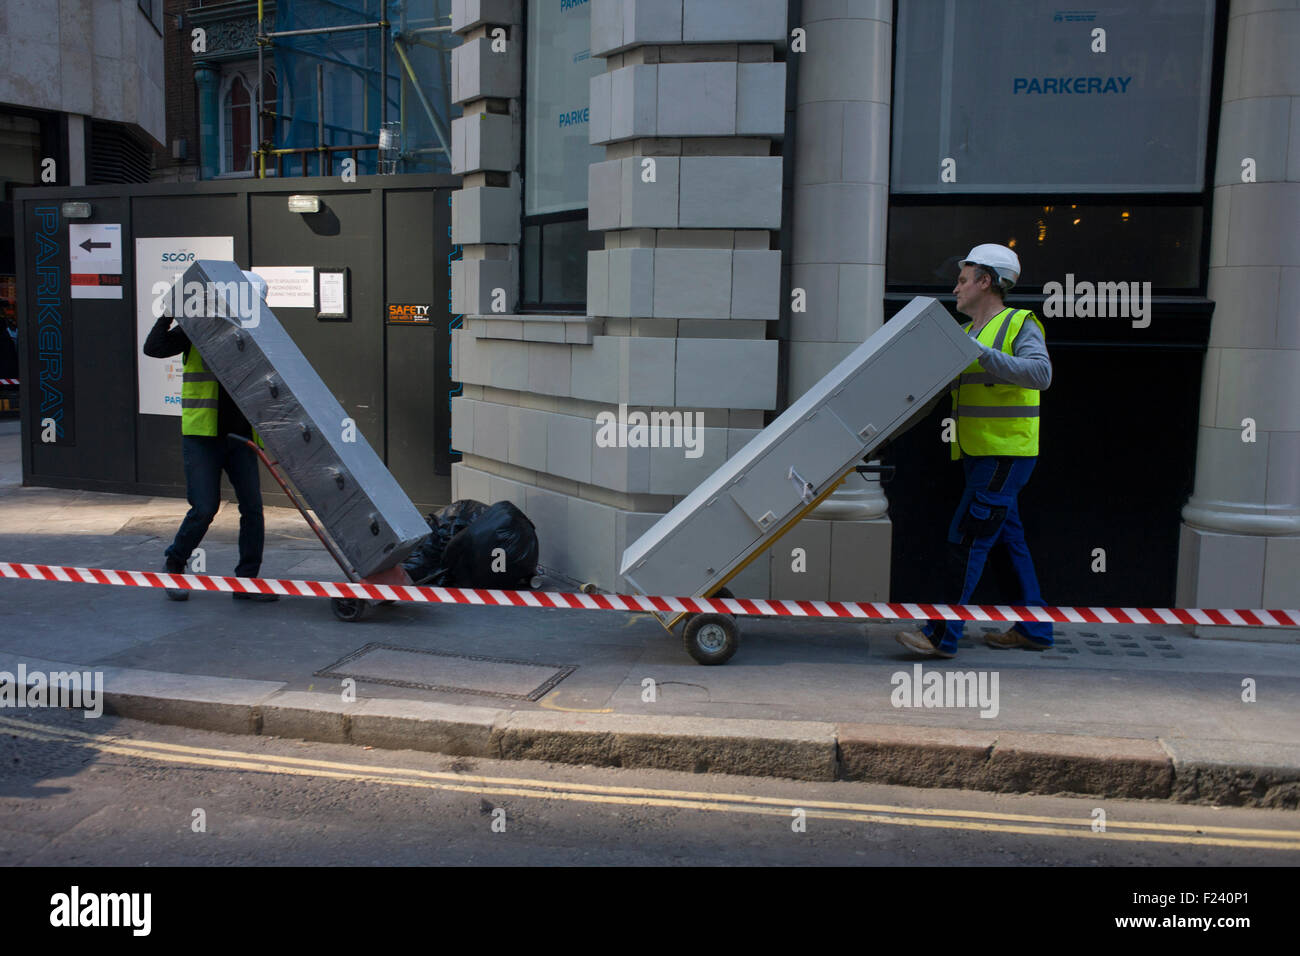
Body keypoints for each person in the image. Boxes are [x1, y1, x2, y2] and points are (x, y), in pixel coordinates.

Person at [896, 243, 1051, 658]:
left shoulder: (1019, 323)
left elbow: (1041, 373)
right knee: (1007, 543)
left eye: (963, 280)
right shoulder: (967, 333)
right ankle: (1036, 631)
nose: (956, 289)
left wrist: (979, 353)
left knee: (966, 539)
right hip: (982, 456)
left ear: (986, 281)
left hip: (1004, 456)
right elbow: (930, 395)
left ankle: (940, 635)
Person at [142, 311, 278, 602]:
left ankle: (247, 581)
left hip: (241, 438)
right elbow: (153, 348)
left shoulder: (257, 332)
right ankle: (174, 563)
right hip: (203, 435)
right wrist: (168, 314)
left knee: (252, 508)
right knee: (204, 508)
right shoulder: (199, 327)